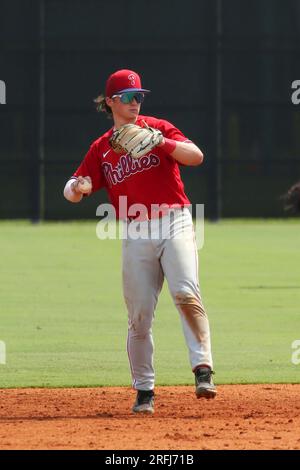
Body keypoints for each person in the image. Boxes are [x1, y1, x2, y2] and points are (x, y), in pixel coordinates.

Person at [63, 69, 216, 414]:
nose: (136, 102)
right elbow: (71, 189)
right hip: (134, 232)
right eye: (130, 97)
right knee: (140, 316)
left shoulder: (157, 128)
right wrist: (79, 188)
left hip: (174, 221)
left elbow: (196, 156)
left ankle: (203, 370)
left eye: (140, 96)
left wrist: (162, 142)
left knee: (186, 291)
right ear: (112, 102)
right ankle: (144, 390)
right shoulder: (101, 148)